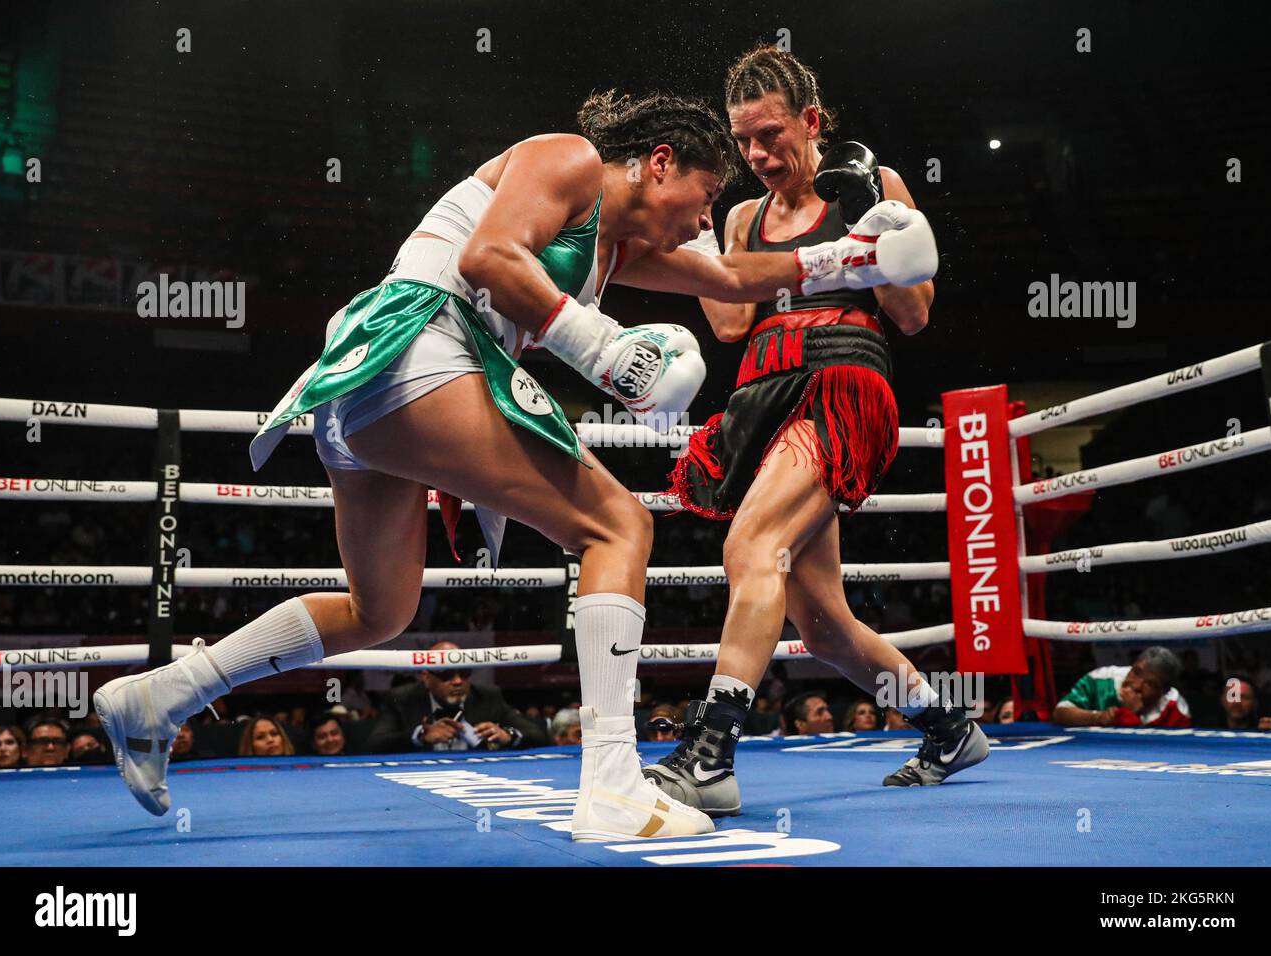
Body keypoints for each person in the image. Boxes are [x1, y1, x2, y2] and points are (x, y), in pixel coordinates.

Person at [94, 89, 934, 842]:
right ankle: (611, 783)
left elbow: (729, 276)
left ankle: (158, 697)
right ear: (660, 163)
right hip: (415, 344)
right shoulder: (563, 158)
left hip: (368, 386)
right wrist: (598, 345)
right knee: (619, 524)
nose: (704, 218)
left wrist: (852, 260)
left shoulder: (616, 246)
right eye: (705, 196)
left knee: (378, 608)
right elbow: (487, 258)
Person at [644, 46, 979, 818]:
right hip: (764, 396)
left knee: (750, 547)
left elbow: (914, 313)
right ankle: (948, 725)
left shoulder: (876, 182)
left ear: (811, 121)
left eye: (770, 135)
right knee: (822, 622)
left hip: (838, 384)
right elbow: (730, 323)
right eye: (743, 142)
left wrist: (867, 220)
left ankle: (712, 751)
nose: (758, 155)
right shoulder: (738, 216)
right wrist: (694, 237)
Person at [365, 641, 549, 753]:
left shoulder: (487, 696)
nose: (458, 681)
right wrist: (420, 735)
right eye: (446, 674)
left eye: (464, 672)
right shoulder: (404, 699)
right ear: (426, 677)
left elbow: (539, 736)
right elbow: (374, 743)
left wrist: (507, 735)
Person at [1052, 646, 1191, 728]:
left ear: (1164, 692)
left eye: (1150, 683)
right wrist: (1097, 717)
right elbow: (1060, 713)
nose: (1137, 685)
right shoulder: (1102, 679)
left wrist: (1130, 715)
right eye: (1136, 672)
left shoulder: (1176, 708)